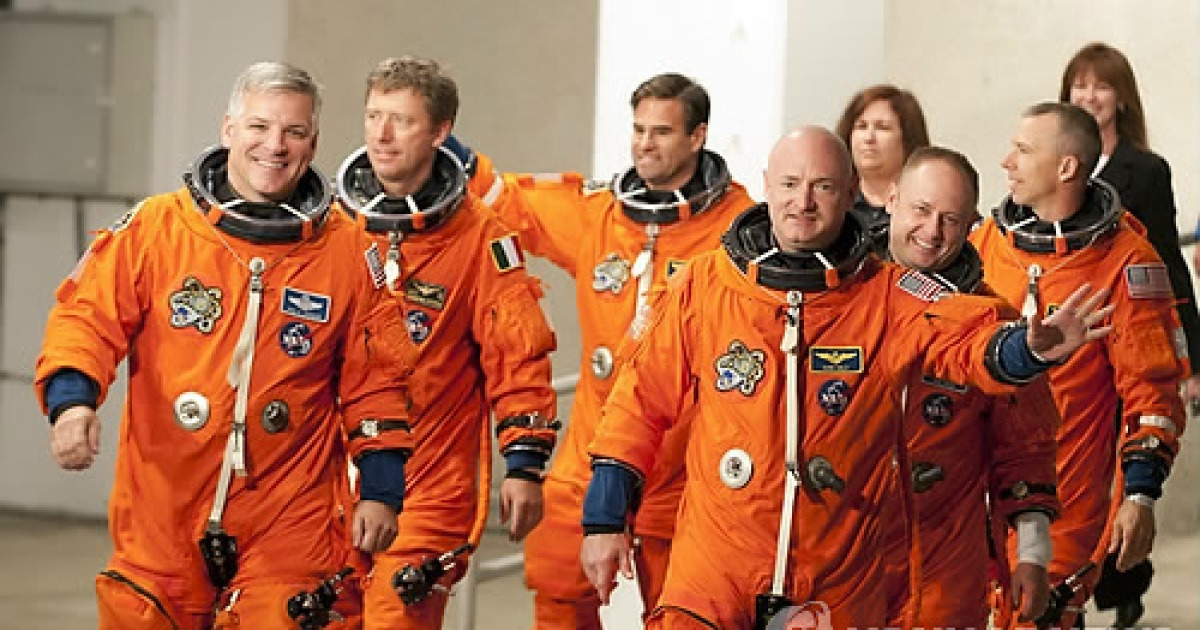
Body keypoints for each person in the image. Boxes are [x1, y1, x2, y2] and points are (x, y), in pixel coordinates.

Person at [579, 126, 1111, 629]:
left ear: (853, 193)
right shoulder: (704, 286)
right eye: (789, 184)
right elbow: (639, 401)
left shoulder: (889, 296)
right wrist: (605, 517)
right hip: (716, 566)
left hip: (840, 574)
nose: (803, 202)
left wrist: (1025, 351)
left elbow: (967, 343)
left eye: (823, 187)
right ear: (766, 184)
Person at [35, 61, 417, 629]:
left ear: (313, 143)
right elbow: (86, 320)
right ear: (229, 130)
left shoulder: (348, 253)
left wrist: (382, 488)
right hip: (163, 510)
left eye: (293, 132)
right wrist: (72, 404)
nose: (274, 146)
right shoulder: (158, 231)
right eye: (260, 127)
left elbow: (378, 378)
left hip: (289, 513)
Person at [483, 72, 756, 627]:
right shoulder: (600, 212)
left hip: (682, 468)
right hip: (590, 453)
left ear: (697, 136)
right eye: (637, 130)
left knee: (684, 612)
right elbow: (504, 201)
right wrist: (444, 149)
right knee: (557, 595)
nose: (644, 144)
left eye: (660, 132)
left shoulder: (738, 227)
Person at [334, 56, 558, 630]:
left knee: (394, 619)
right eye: (373, 116)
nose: (381, 135)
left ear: (439, 133)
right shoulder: (331, 223)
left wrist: (525, 463)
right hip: (328, 477)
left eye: (401, 121)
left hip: (431, 480)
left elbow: (518, 354)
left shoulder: (481, 236)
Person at [970, 102, 1188, 629]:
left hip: (1062, 499)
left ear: (1066, 167)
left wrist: (1140, 494)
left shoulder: (1127, 264)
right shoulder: (990, 243)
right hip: (973, 496)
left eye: (1023, 150)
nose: (1007, 161)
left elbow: (1152, 391)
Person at [876, 147, 1060, 628]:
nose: (932, 231)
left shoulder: (993, 322)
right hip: (843, 555)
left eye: (950, 219)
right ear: (891, 199)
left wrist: (1033, 554)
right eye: (920, 210)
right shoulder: (838, 299)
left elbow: (1024, 449)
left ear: (971, 225)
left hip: (943, 566)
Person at [1060, 42, 1200, 626]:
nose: (1090, 96)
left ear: (1121, 97)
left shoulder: (1146, 169)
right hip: (1071, 349)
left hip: (1131, 341)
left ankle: (1125, 584)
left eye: (1101, 86)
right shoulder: (1055, 158)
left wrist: (1190, 360)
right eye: (1080, 85)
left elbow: (1167, 262)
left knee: (1126, 473)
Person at [834, 84, 930, 248]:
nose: (868, 138)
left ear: (907, 138)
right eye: (861, 126)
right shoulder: (836, 201)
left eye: (882, 127)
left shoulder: (929, 203)